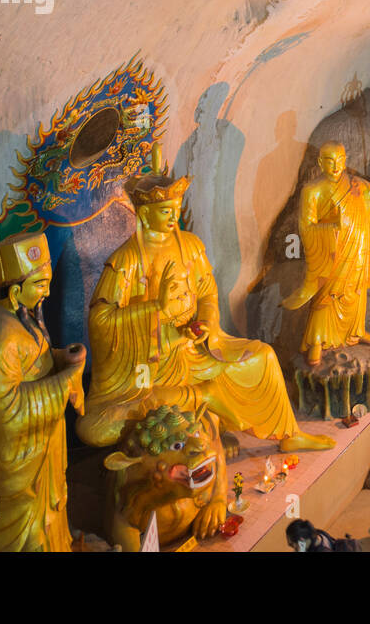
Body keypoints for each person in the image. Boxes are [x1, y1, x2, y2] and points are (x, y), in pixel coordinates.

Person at [78, 153, 333, 452]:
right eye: (165, 211)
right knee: (96, 429)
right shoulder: (127, 259)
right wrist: (156, 310)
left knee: (262, 356)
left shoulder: (190, 245)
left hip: (195, 346)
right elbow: (101, 319)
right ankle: (204, 402)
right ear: (145, 216)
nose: (174, 217)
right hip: (152, 363)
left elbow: (207, 293)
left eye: (174, 209)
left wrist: (208, 325)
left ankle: (288, 433)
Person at [0, 232, 85, 552]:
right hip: (19, 456)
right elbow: (9, 410)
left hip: (45, 442)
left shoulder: (25, 318)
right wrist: (65, 380)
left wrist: (63, 358)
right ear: (17, 290)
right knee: (28, 528)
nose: (47, 292)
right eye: (41, 284)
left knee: (51, 514)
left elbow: (39, 363)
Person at [283, 142, 370, 366]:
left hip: (358, 245)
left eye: (340, 160)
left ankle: (356, 331)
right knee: (328, 291)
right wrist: (333, 230)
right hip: (332, 250)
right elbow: (306, 227)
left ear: (345, 159)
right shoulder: (312, 190)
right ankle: (317, 339)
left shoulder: (355, 184)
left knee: (356, 289)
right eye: (329, 161)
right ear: (320, 162)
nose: (336, 166)